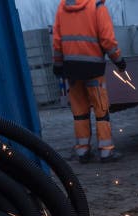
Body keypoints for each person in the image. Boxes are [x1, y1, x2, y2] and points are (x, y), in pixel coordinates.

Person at [53, 0, 125, 164]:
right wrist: (118, 60)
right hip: (94, 68)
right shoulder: (97, 7)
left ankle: (83, 151)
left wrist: (58, 65)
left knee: (79, 114)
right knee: (101, 111)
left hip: (71, 69)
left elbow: (57, 41)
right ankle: (106, 152)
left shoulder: (62, 8)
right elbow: (107, 39)